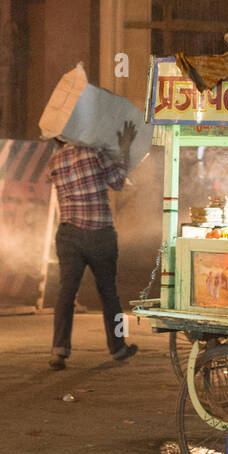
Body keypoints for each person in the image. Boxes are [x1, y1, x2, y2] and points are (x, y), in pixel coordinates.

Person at [46, 122, 138, 370]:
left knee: (66, 293)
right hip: (100, 235)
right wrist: (125, 148)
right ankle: (118, 348)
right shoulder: (93, 152)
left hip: (68, 235)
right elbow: (118, 182)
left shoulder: (55, 160)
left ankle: (59, 351)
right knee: (109, 293)